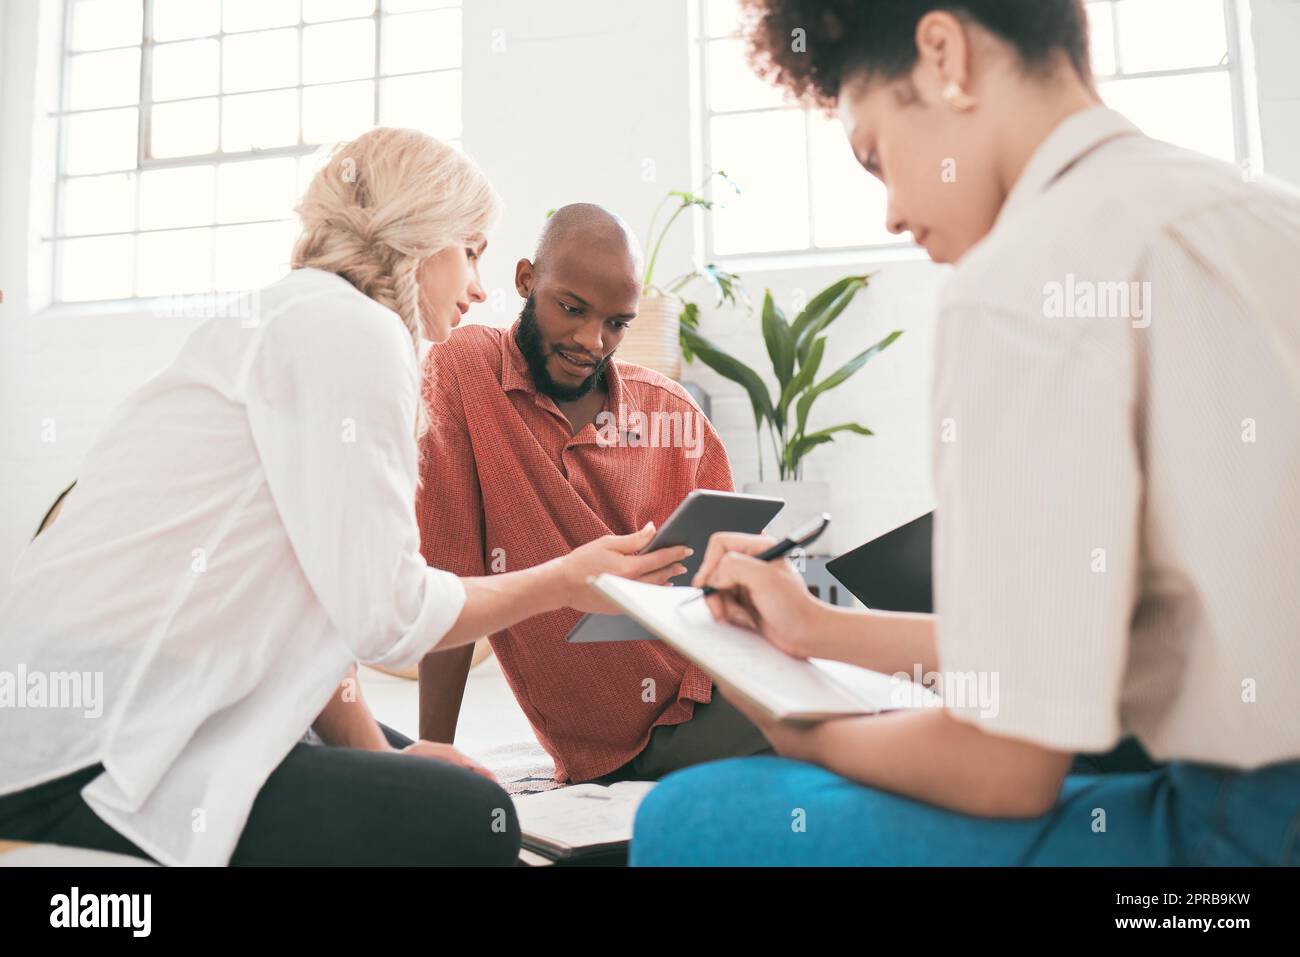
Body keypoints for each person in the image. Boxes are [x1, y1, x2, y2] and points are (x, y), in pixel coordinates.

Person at [631, 0, 1300, 866]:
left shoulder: (1024, 275)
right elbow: (1092, 646)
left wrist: (802, 729)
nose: (892, 213)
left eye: (875, 158)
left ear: (944, 54)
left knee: (694, 820)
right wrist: (821, 630)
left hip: (1237, 850)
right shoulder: (1262, 212)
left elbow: (1003, 766)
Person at [0, 128, 692, 867]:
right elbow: (387, 618)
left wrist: (386, 754)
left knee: (435, 774)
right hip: (95, 748)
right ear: (418, 235)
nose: (481, 287)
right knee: (475, 816)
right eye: (472, 249)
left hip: (87, 712)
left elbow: (322, 614)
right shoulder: (351, 329)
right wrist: (566, 580)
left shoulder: (299, 315)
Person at [408, 203, 774, 785]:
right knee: (858, 736)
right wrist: (432, 756)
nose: (591, 341)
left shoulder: (672, 413)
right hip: (621, 744)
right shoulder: (465, 369)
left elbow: (732, 590)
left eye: (617, 323)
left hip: (715, 685)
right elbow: (450, 575)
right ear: (527, 280)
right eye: (571, 309)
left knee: (880, 708)